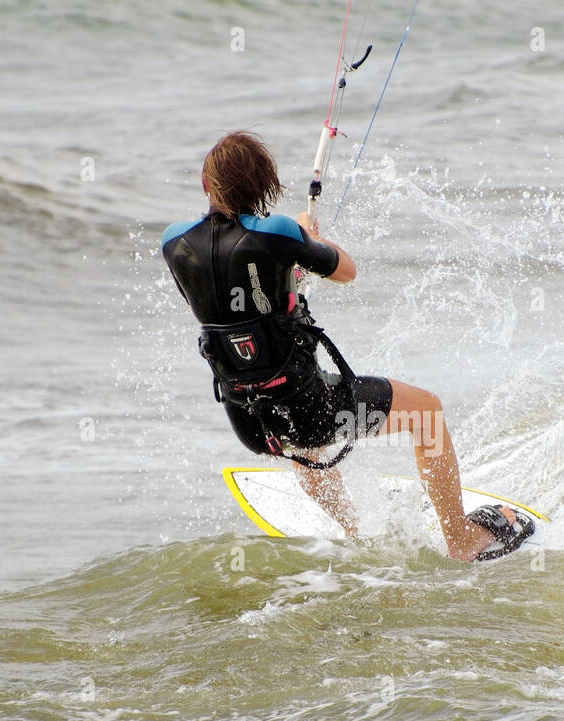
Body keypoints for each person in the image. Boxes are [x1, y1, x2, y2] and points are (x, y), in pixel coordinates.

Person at [161, 130, 532, 562]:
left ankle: (356, 533)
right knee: (427, 412)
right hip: (310, 409)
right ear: (265, 187)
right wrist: (307, 239)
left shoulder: (173, 243)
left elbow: (236, 304)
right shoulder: (279, 233)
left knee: (299, 436)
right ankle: (461, 538)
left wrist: (291, 261)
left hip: (252, 424)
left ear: (206, 185)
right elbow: (345, 272)